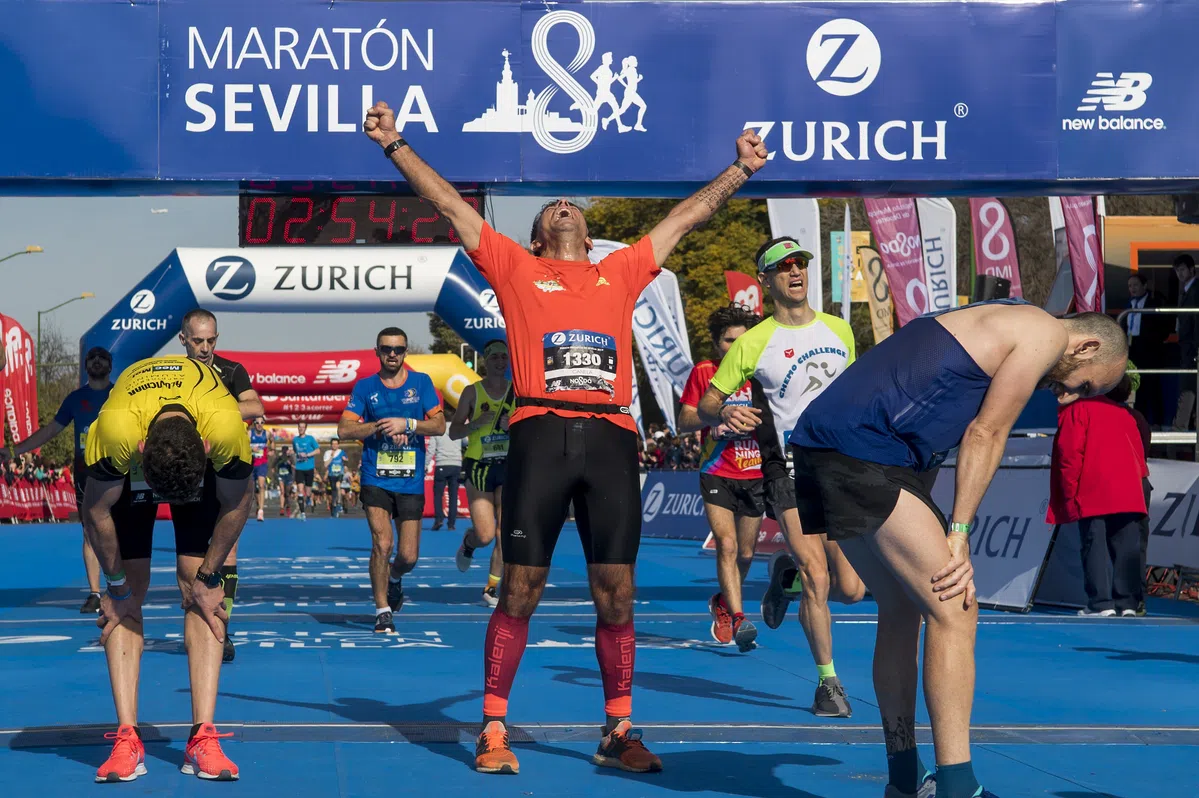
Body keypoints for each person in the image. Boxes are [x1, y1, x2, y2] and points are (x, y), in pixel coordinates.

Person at [364, 98, 768, 775]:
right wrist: (393, 144)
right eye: (552, 207)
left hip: (610, 439)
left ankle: (617, 730)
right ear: (537, 236)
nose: (562, 204)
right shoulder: (515, 268)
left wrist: (739, 172)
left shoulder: (622, 269)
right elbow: (450, 208)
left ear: (585, 229)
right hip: (540, 433)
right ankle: (493, 727)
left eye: (571, 205)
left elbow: (682, 217)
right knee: (520, 588)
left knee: (616, 592)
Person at [787, 300, 1128, 798]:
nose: (1067, 400)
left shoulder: (995, 318)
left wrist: (928, 515)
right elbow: (987, 432)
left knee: (902, 607)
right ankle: (958, 788)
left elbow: (918, 407)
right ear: (1088, 346)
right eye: (1083, 386)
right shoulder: (1044, 333)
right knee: (955, 607)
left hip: (827, 443)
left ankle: (904, 779)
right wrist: (959, 531)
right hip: (863, 448)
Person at [697, 238, 866, 717]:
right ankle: (827, 684)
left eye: (801, 264)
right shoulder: (753, 341)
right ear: (767, 280)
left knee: (851, 589)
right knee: (819, 573)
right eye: (784, 267)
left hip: (841, 466)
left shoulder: (840, 330)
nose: (796, 272)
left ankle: (783, 575)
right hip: (786, 469)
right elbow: (707, 404)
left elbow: (850, 395)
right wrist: (727, 410)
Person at [82, 356, 254, 783]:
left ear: (208, 449)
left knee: (201, 588)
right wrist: (116, 585)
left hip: (194, 435)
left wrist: (211, 576)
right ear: (140, 451)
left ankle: (203, 737)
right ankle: (127, 738)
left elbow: (239, 503)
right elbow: (95, 511)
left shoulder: (226, 428)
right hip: (133, 442)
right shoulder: (115, 431)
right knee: (130, 592)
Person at [337, 327, 445, 633]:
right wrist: (378, 426)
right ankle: (382, 610)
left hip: (409, 480)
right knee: (383, 543)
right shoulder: (365, 387)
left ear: (406, 352)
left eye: (398, 349)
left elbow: (438, 425)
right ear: (377, 352)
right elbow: (344, 429)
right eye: (387, 349)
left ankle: (395, 578)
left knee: (408, 556)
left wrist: (408, 423)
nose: (393, 354)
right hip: (375, 476)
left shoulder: (422, 383)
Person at [179, 308, 265, 664]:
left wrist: (213, 408)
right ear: (183, 339)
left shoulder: (230, 371)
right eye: (197, 341)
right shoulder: (174, 374)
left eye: (211, 340)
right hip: (186, 474)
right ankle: (196, 619)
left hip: (227, 472)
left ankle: (221, 625)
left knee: (227, 553)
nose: (205, 348)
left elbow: (255, 404)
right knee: (190, 559)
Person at [678, 306, 765, 652]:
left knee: (745, 554)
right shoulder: (704, 373)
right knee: (726, 545)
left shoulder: (761, 373)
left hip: (756, 472)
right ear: (717, 344)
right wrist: (718, 419)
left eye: (743, 340)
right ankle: (741, 618)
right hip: (716, 470)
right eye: (730, 341)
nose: (737, 346)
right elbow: (684, 422)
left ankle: (723, 604)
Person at [3, 346, 113, 613]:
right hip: (85, 472)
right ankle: (95, 593)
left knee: (119, 530)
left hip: (116, 469)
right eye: (92, 358)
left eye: (102, 358)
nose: (97, 362)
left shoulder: (120, 395)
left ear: (110, 365)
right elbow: (51, 430)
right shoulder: (76, 399)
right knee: (89, 532)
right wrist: (14, 450)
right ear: (86, 365)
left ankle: (120, 589)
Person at [1047, 374, 1149, 617]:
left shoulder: (1077, 410)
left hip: (1094, 487)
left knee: (1095, 545)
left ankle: (1101, 604)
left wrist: (1070, 493)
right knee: (1127, 548)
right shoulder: (1122, 412)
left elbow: (1069, 455)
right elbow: (1138, 454)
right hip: (1129, 488)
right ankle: (1128, 604)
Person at [451, 340, 515, 608]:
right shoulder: (472, 392)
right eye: (494, 358)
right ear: (485, 362)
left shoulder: (517, 391)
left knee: (505, 533)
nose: (500, 362)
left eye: (504, 357)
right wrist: (475, 424)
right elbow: (454, 431)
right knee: (486, 534)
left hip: (509, 465)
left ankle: (491, 587)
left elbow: (532, 429)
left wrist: (513, 425)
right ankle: (469, 542)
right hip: (479, 466)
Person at [1122, 272, 1170, 427]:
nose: (1132, 289)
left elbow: (1165, 327)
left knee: (1153, 389)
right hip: (1134, 349)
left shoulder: (1155, 302)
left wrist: (1153, 340)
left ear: (1144, 286)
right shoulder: (1129, 304)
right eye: (1130, 286)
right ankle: (1139, 423)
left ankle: (1157, 424)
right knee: (1138, 390)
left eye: (1135, 285)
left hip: (1151, 351)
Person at [1171, 254, 1199, 440]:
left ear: (1191, 269)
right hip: (1187, 347)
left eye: (1182, 269)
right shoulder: (1187, 290)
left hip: (1192, 348)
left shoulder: (1196, 290)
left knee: (1187, 391)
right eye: (1177, 271)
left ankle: (1177, 436)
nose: (1179, 274)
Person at [428, 428, 464, 531]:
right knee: (453, 495)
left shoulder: (438, 429)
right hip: (456, 465)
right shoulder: (458, 428)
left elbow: (431, 449)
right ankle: (451, 524)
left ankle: (439, 519)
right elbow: (466, 441)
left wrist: (426, 465)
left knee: (438, 494)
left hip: (441, 465)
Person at [292, 422, 319, 520]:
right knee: (300, 490)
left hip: (309, 468)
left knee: (307, 493)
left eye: (303, 427)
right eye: (300, 427)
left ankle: (308, 499)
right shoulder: (295, 440)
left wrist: (307, 455)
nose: (301, 429)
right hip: (299, 468)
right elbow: (295, 450)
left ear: (305, 428)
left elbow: (318, 450)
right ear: (298, 428)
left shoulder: (310, 439)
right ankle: (302, 512)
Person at [249, 418, 273, 522]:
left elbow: (272, 444)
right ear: (254, 424)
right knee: (254, 487)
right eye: (257, 423)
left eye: (261, 423)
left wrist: (271, 450)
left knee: (261, 485)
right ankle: (258, 505)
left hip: (262, 463)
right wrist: (251, 449)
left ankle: (261, 511)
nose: (259, 425)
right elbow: (243, 444)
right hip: (252, 463)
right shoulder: (249, 433)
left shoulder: (267, 434)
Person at [323, 437, 349, 517]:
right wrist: (331, 457)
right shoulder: (327, 453)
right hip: (331, 475)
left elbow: (346, 459)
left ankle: (339, 503)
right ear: (331, 445)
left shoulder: (341, 452)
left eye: (336, 444)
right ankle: (334, 508)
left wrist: (344, 459)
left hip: (339, 474)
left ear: (338, 445)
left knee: (338, 486)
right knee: (333, 493)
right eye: (333, 444)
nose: (334, 445)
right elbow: (325, 465)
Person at [275, 445, 296, 517]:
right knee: (282, 491)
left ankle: (288, 506)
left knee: (287, 493)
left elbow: (294, 467)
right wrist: (275, 474)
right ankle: (281, 508)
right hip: (281, 476)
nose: (284, 452)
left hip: (289, 477)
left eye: (285, 450)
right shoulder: (279, 457)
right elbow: (273, 466)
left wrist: (290, 464)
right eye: (283, 450)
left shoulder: (290, 458)